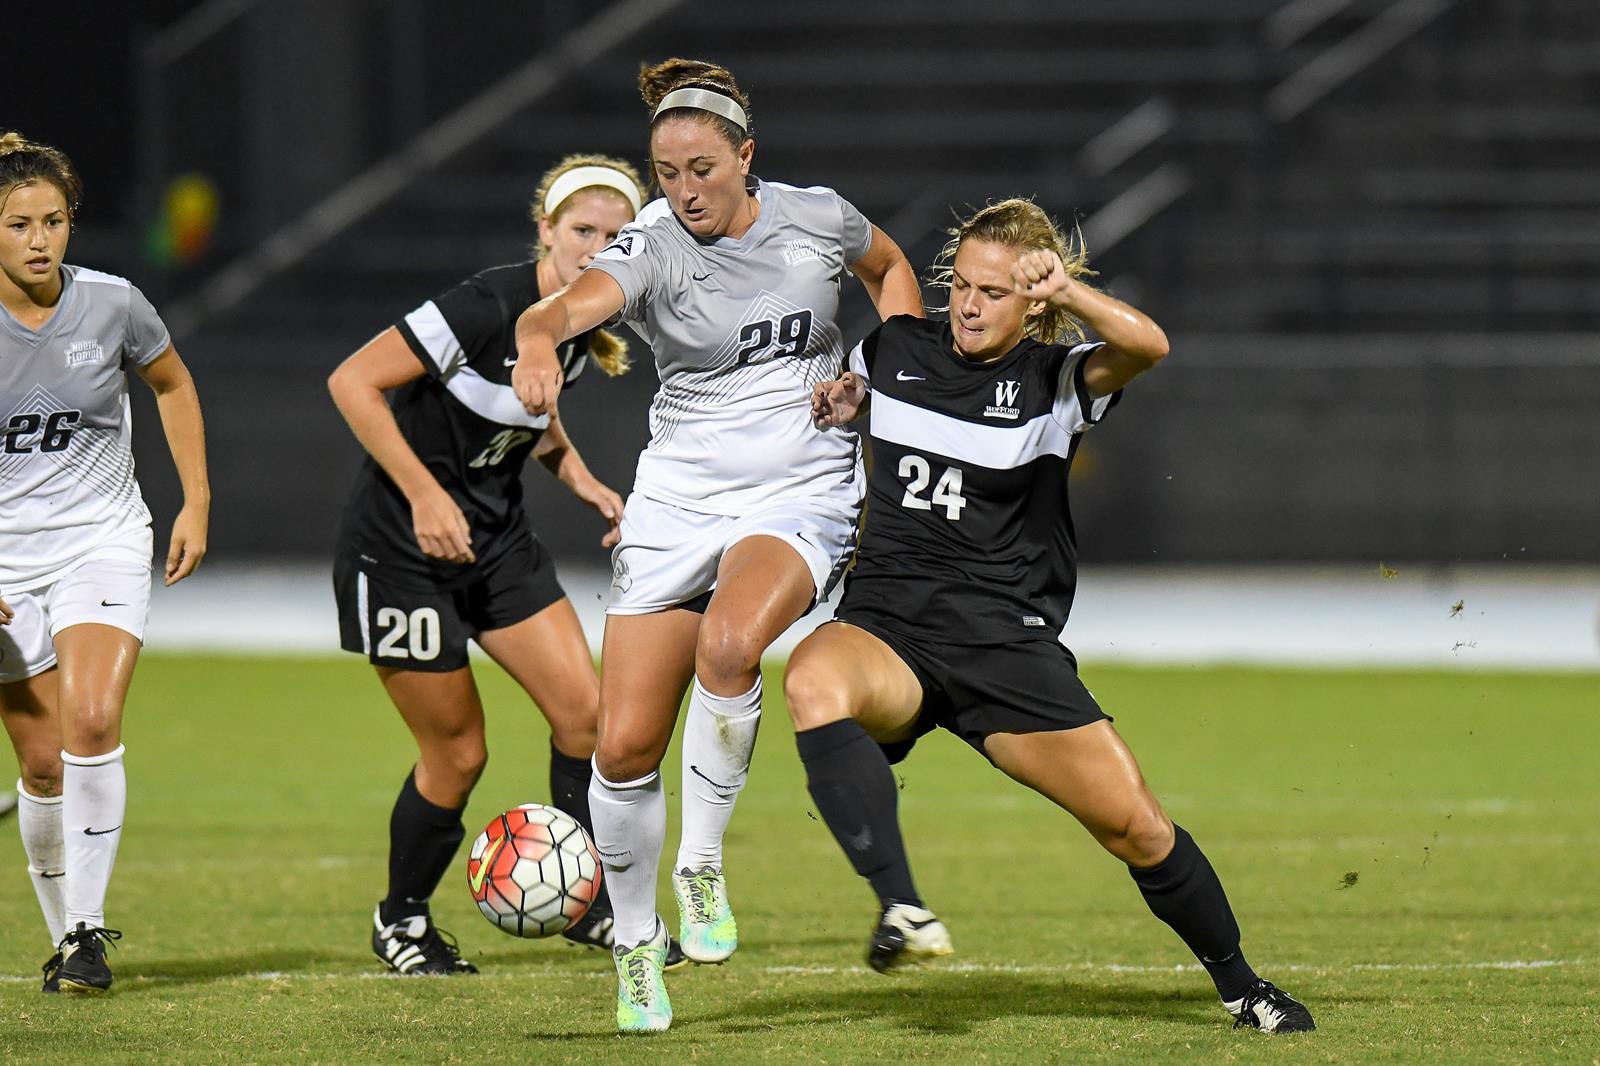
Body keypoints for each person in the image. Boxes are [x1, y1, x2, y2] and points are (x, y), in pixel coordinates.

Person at [787, 198, 1316, 1035]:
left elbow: (1149, 345)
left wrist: (1071, 293)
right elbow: (858, 394)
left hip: (1005, 645)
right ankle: (901, 907)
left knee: (1137, 826)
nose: (966, 304)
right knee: (814, 676)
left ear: (1033, 304)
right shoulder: (896, 347)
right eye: (959, 283)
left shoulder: (1055, 379)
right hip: (890, 626)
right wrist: (846, 401)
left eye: (992, 292)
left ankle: (1242, 985)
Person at [513, 58, 922, 1032]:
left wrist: (890, 367)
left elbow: (891, 269)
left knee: (732, 644)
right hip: (683, 492)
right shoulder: (650, 242)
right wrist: (537, 334)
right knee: (620, 748)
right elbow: (569, 306)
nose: (683, 191)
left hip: (800, 481)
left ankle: (698, 862)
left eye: (702, 168)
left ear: (748, 157)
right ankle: (635, 941)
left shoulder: (815, 217)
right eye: (665, 171)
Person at [327, 154, 686, 974]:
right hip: (400, 554)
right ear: (546, 232)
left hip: (497, 544)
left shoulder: (571, 326)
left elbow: (524, 420)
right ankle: (403, 920)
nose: (597, 250)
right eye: (581, 231)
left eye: (614, 236)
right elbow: (352, 381)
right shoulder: (489, 303)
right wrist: (423, 494)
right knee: (458, 754)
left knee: (589, 719)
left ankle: (590, 902)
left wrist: (583, 478)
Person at [0, 132, 211, 994]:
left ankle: (87, 933)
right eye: (18, 225)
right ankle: (65, 941)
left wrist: (196, 500)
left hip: (102, 538)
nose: (40, 241)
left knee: (90, 722)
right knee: (42, 763)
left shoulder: (114, 304)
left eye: (54, 221)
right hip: (6, 563)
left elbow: (172, 382)